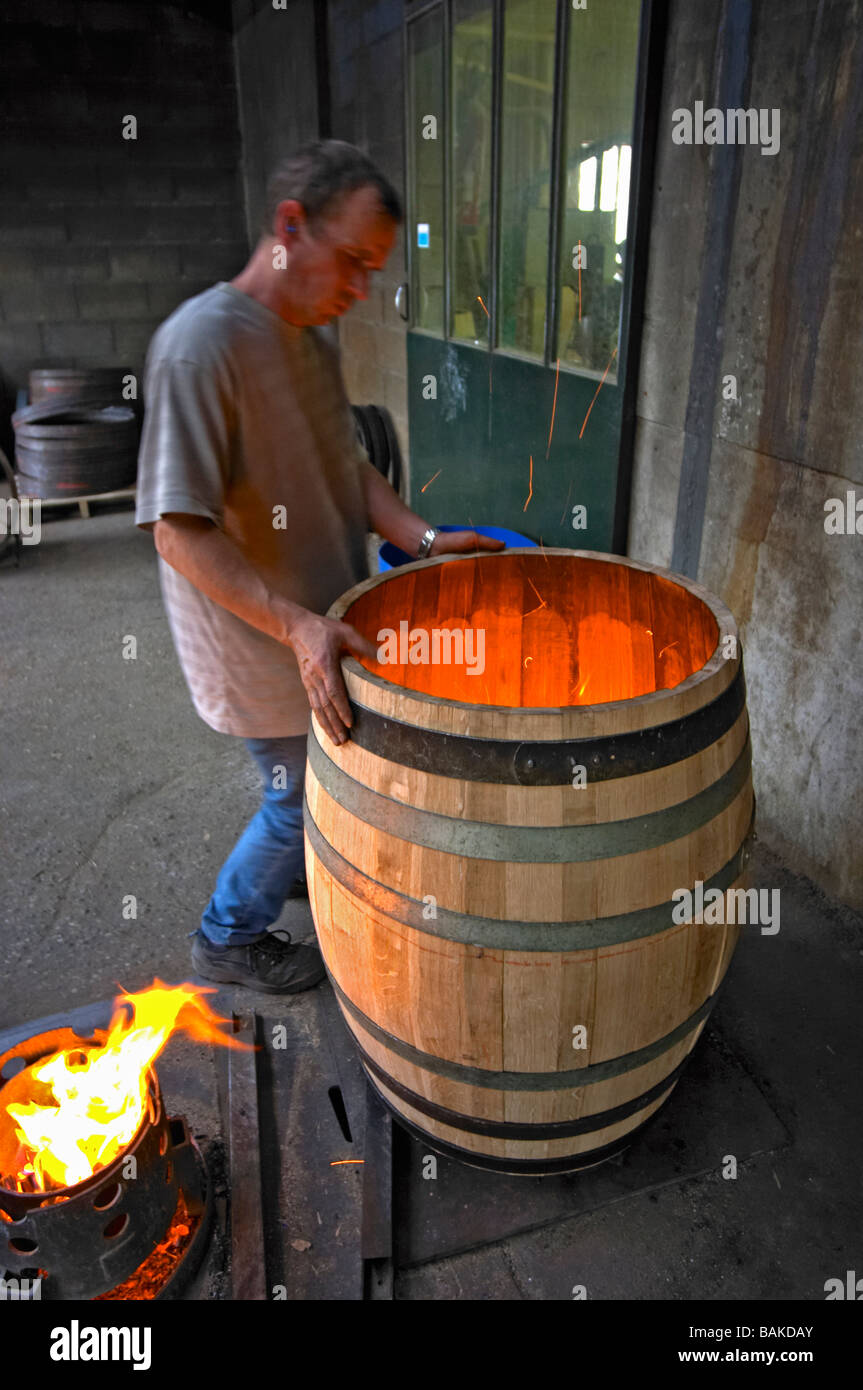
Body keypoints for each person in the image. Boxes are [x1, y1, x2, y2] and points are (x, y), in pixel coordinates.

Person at [135, 139, 503, 994]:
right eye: (353, 261)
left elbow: (349, 465)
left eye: (375, 269)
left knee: (318, 779)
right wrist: (296, 627)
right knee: (296, 787)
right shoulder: (199, 346)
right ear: (291, 226)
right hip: (261, 638)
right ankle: (228, 936)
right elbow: (177, 531)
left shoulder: (309, 339)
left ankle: (303, 853)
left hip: (319, 619)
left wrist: (423, 538)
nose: (362, 288)